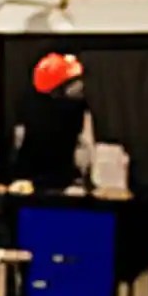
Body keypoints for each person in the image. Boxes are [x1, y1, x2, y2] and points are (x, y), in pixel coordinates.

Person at [13, 51, 96, 191]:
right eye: (73, 82)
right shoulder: (74, 110)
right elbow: (85, 148)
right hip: (52, 180)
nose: (80, 86)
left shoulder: (29, 107)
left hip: (34, 180)